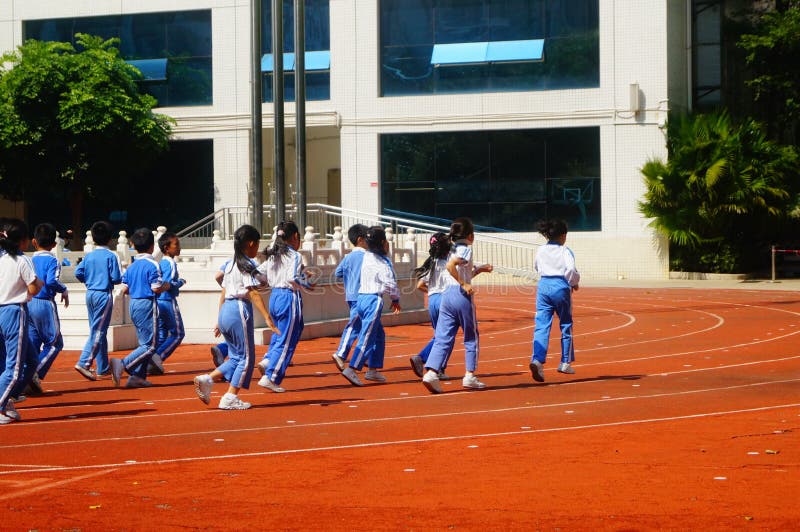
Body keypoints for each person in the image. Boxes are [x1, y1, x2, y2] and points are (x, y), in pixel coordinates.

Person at [193, 225, 277, 410]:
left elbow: (220, 280)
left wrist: (220, 317)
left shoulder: (230, 264)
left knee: (236, 357)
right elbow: (253, 293)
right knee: (246, 358)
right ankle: (230, 396)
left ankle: (207, 379)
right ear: (251, 243)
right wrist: (267, 317)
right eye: (256, 245)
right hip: (239, 309)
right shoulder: (247, 264)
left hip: (226, 310)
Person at [421, 217, 492, 394]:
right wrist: (464, 284)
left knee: (443, 336)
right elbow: (452, 267)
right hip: (460, 296)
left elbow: (456, 268)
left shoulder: (450, 250)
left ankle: (431, 372)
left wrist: (478, 270)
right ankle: (469, 375)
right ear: (470, 235)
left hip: (446, 295)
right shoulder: (464, 249)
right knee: (471, 336)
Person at [255, 221, 313, 393]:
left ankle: (269, 360)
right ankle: (271, 375)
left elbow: (259, 274)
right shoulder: (294, 255)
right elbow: (292, 278)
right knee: (287, 338)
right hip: (289, 297)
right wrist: (307, 283)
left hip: (275, 296)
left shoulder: (274, 254)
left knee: (284, 332)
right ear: (295, 237)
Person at [109, 228, 171, 388]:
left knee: (144, 342)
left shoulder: (132, 266)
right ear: (152, 246)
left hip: (134, 303)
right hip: (147, 303)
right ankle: (122, 364)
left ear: (134, 246)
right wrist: (168, 285)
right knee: (150, 345)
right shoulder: (153, 265)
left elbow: (125, 287)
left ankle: (138, 376)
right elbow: (156, 287)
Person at [341, 226, 401, 386]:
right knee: (367, 336)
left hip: (361, 298)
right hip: (373, 300)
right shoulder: (382, 261)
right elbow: (390, 282)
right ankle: (352, 368)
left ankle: (373, 369)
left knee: (378, 334)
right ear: (382, 243)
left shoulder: (366, 256)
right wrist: (395, 299)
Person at [0, 218, 43, 424]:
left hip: (4, 310)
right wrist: (37, 284)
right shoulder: (21, 260)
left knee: (29, 360)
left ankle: (7, 398)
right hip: (14, 310)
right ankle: (1, 401)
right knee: (15, 366)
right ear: (24, 241)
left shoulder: (2, 258)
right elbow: (33, 288)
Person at [529, 219, 580, 382]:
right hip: (560, 286)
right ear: (563, 235)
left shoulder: (541, 250)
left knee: (542, 325)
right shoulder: (565, 251)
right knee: (566, 324)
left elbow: (536, 267)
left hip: (543, 286)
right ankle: (565, 362)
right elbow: (571, 269)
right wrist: (573, 282)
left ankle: (537, 359)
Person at [74, 221, 122, 380]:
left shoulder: (89, 256)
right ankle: (84, 362)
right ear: (110, 239)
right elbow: (116, 278)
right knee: (99, 331)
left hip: (90, 293)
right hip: (103, 294)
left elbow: (78, 272)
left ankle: (103, 367)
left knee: (97, 330)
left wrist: (89, 279)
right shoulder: (111, 256)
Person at [27, 223, 69, 393]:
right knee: (55, 343)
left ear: (34, 242)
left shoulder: (30, 260)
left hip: (29, 302)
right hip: (45, 302)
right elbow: (52, 281)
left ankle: (27, 380)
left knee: (33, 342)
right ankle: (33, 373)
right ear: (54, 244)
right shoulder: (53, 260)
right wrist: (64, 290)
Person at [409, 232, 452, 380]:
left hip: (432, 299)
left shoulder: (431, 262)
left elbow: (420, 284)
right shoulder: (449, 261)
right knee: (447, 337)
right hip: (445, 300)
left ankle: (430, 363)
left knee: (439, 335)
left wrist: (432, 292)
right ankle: (430, 363)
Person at [330, 224, 369, 371]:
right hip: (362, 295)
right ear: (360, 240)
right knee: (354, 325)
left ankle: (368, 358)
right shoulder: (366, 257)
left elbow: (338, 273)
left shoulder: (348, 257)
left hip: (351, 295)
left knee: (368, 328)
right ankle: (341, 353)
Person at [150, 232, 186, 374]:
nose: (179, 248)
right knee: (178, 333)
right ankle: (158, 357)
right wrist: (181, 282)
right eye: (176, 245)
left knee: (161, 335)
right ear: (166, 248)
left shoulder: (160, 263)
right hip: (167, 301)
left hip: (158, 301)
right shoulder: (170, 263)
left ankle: (149, 363)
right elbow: (169, 283)